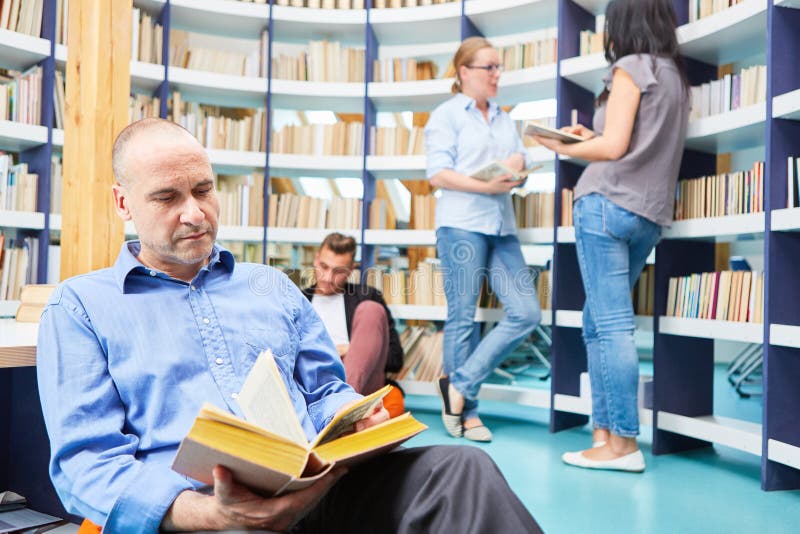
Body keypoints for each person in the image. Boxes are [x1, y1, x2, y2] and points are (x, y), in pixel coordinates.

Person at [36, 118, 541, 533]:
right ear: (123, 203)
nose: (195, 214)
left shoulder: (273, 287)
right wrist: (210, 515)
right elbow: (88, 464)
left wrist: (354, 419)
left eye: (204, 190)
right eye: (167, 198)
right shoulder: (80, 307)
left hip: (316, 493)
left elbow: (325, 392)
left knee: (461, 472)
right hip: (196, 515)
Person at [533, 0, 689, 472]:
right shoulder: (675, 77)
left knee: (613, 325)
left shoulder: (629, 67)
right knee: (596, 321)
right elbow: (634, 139)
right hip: (649, 214)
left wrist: (559, 142)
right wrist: (588, 135)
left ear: (621, 22)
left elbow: (615, 146)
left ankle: (622, 443)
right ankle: (604, 432)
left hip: (606, 204)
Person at [425, 36, 542, 442]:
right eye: (488, 67)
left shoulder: (505, 119)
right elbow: (438, 174)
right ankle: (467, 413)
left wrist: (518, 165)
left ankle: (459, 385)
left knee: (527, 312)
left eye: (498, 68)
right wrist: (487, 184)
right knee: (462, 318)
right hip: (461, 224)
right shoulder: (446, 115)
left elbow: (516, 160)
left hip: (501, 227)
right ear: (464, 73)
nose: (497, 75)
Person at [301, 232, 405, 416]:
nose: (327, 277)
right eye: (323, 266)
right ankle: (340, 411)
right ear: (316, 259)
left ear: (350, 270)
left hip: (361, 383)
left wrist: (350, 350)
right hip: (314, 382)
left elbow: (395, 359)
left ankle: (343, 407)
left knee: (370, 310)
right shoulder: (299, 299)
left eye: (337, 271)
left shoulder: (368, 296)